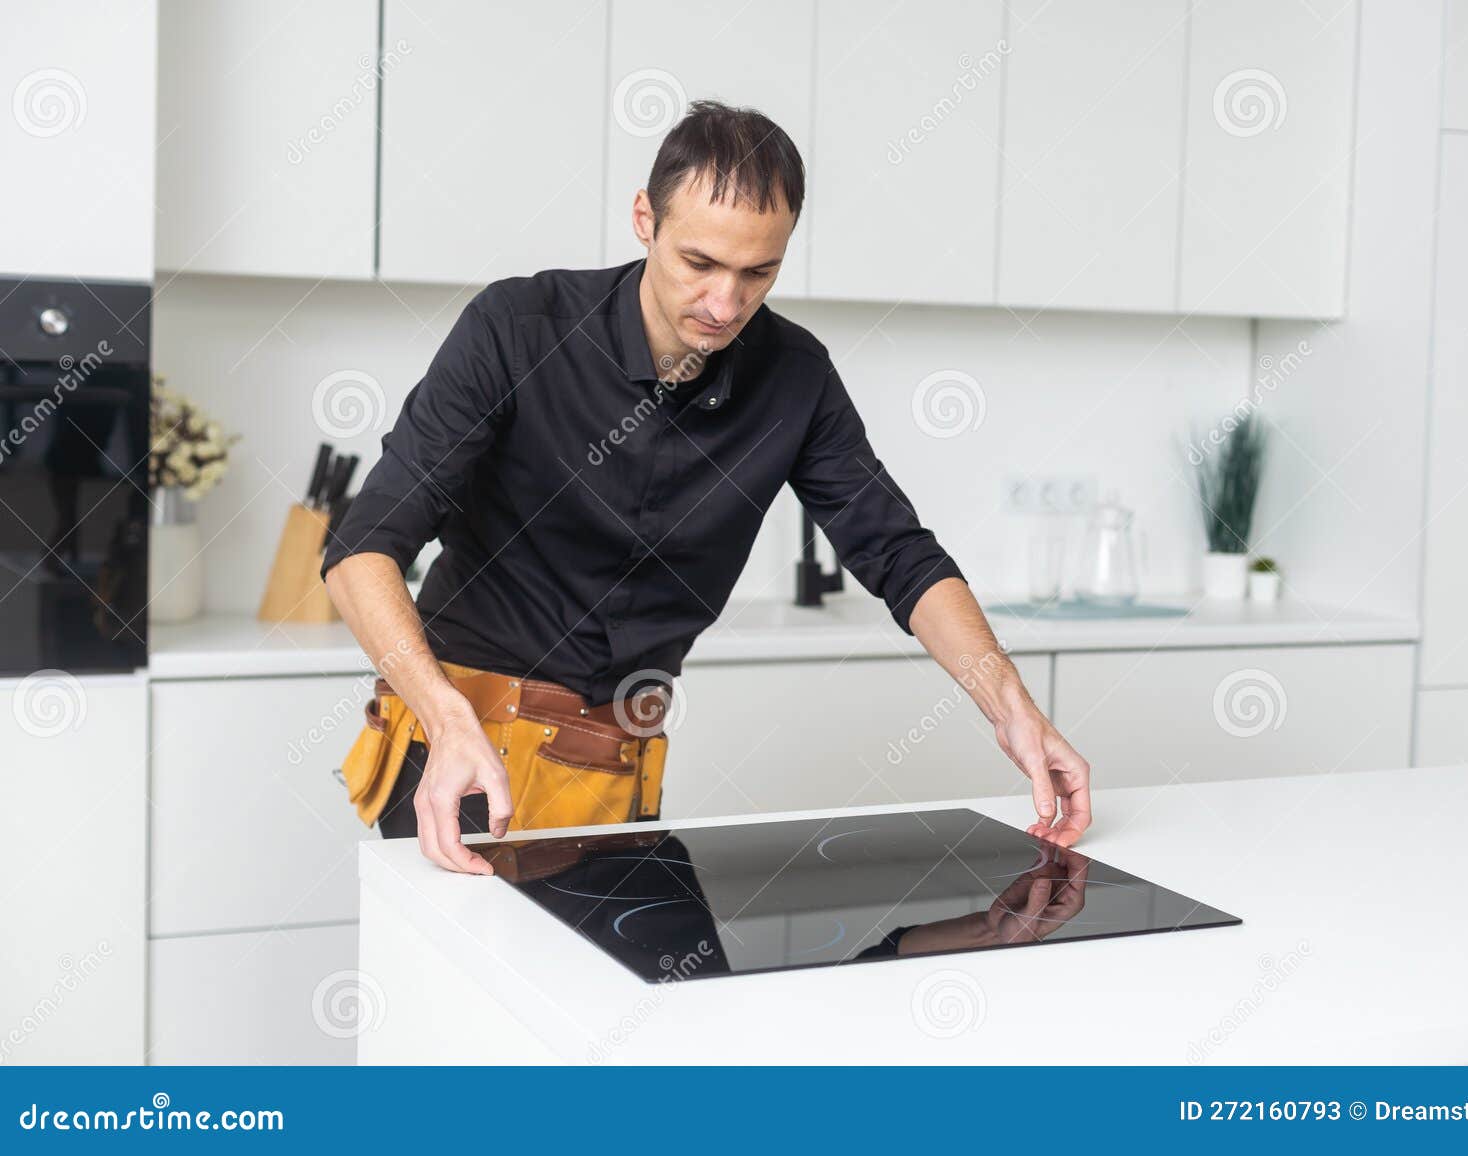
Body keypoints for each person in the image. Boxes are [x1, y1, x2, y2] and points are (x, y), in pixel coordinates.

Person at [321, 100, 1090, 875]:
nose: (726, 305)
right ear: (644, 219)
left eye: (758, 273)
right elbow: (360, 550)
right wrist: (443, 715)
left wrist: (1012, 707)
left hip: (620, 768)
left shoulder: (795, 377)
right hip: (460, 756)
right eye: (700, 263)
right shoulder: (518, 328)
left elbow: (899, 554)